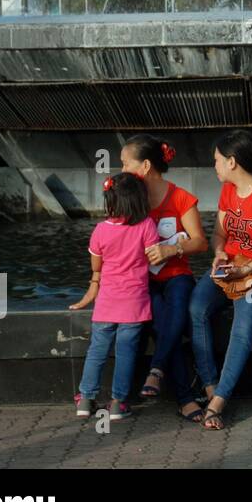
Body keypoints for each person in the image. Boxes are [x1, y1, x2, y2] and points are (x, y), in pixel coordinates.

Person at [92, 135, 208, 423]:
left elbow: (201, 243)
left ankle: (155, 372)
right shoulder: (130, 199)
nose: (119, 170)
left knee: (178, 303)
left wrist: (172, 248)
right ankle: (184, 398)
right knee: (163, 323)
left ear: (145, 166)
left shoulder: (180, 197)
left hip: (177, 274)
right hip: (141, 283)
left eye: (124, 163)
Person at [189, 130, 252, 431]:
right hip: (228, 269)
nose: (215, 166)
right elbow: (219, 233)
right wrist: (219, 252)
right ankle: (209, 386)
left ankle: (219, 400)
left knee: (242, 326)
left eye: (218, 160)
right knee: (197, 308)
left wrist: (245, 271)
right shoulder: (228, 191)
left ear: (232, 162)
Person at [70, 173, 155, 421]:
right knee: (126, 352)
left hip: (106, 304)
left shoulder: (100, 230)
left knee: (97, 351)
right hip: (134, 304)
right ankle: (118, 403)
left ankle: (85, 399)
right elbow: (153, 258)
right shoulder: (147, 226)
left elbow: (97, 265)